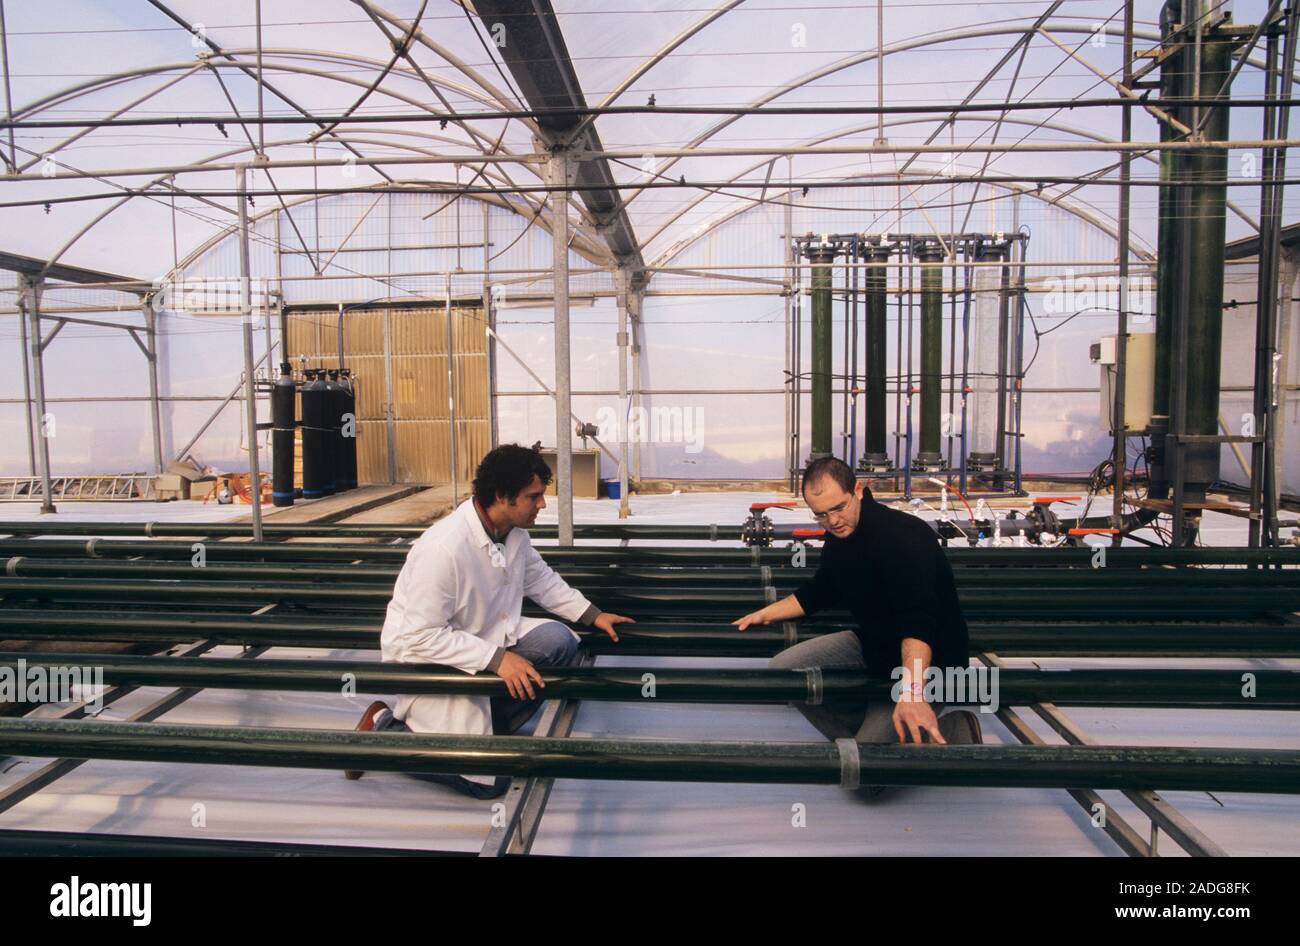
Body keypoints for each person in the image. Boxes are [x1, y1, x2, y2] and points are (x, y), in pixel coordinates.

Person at [346, 443, 634, 798]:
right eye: (534, 497)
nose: (542, 505)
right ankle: (384, 733)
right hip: (430, 661)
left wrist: (592, 614)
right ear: (502, 497)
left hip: (482, 637)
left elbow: (540, 579)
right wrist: (498, 660)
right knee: (488, 782)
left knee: (561, 644)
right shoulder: (444, 549)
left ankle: (488, 722)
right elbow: (420, 636)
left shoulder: (512, 533)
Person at [733, 456, 981, 798]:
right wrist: (765, 614)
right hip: (874, 647)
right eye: (820, 514)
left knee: (864, 782)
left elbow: (919, 624)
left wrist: (912, 694)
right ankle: (871, 736)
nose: (832, 521)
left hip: (929, 662)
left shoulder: (904, 539)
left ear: (859, 491)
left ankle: (956, 731)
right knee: (782, 673)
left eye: (838, 508)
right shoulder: (840, 537)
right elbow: (821, 590)